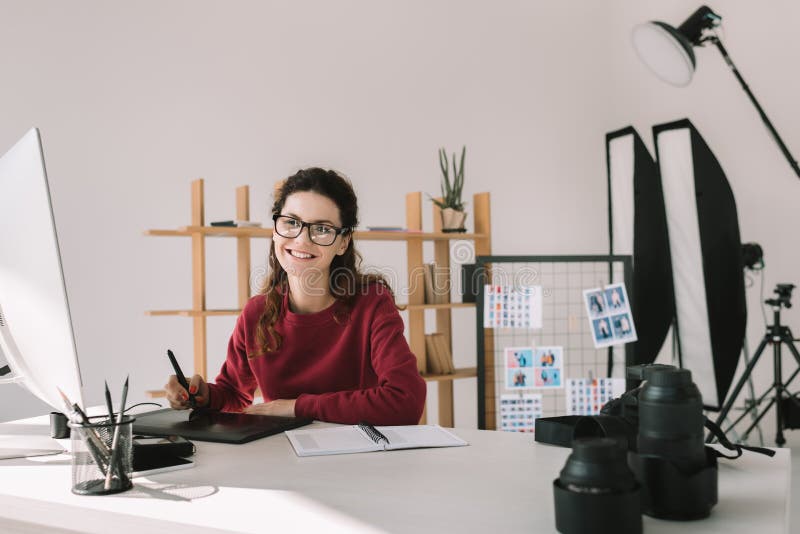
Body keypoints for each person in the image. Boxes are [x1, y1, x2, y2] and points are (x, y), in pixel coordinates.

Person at [165, 168, 427, 425]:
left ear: (343, 242)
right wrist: (202, 395)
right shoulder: (256, 314)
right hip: (283, 458)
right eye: (291, 223)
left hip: (357, 459)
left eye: (322, 229)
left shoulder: (372, 304)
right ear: (275, 229)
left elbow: (406, 401)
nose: (302, 239)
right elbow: (234, 394)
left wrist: (296, 407)